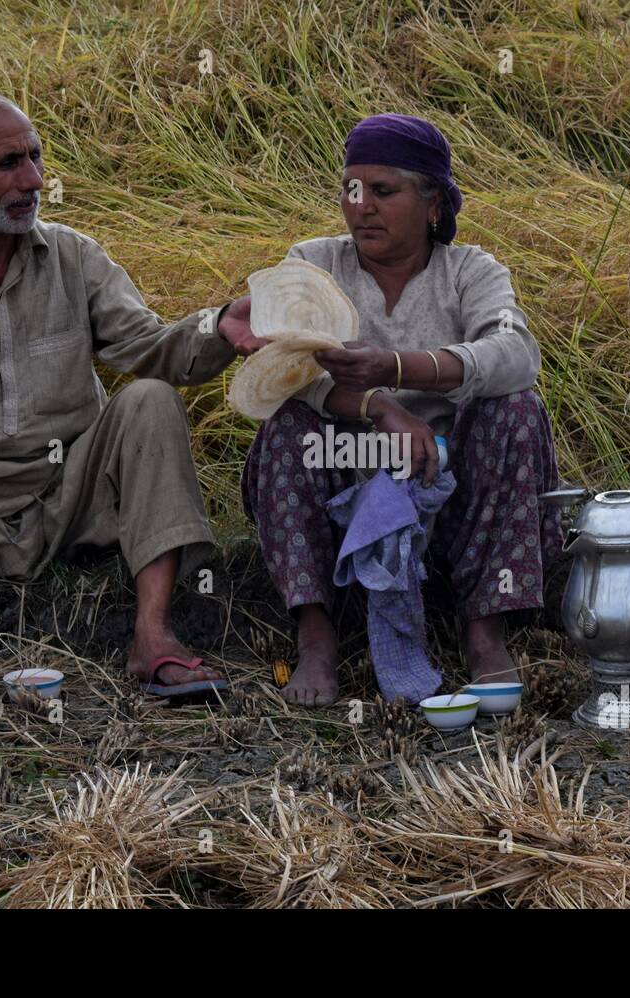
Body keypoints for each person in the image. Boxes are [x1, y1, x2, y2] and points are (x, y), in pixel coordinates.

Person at [0, 89, 265, 696]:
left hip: (69, 500)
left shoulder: (75, 257)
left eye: (35, 157)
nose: (33, 179)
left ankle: (154, 635)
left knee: (151, 399)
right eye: (8, 163)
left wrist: (217, 326)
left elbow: (150, 347)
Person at [241, 113, 563, 707]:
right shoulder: (314, 264)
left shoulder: (471, 271)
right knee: (286, 422)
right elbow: (284, 369)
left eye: (383, 191)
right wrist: (378, 405)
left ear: (433, 203)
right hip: (349, 480)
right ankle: (316, 636)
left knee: (516, 409)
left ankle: (483, 631)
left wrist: (396, 366)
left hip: (450, 492)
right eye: (351, 189)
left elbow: (516, 353)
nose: (361, 206)